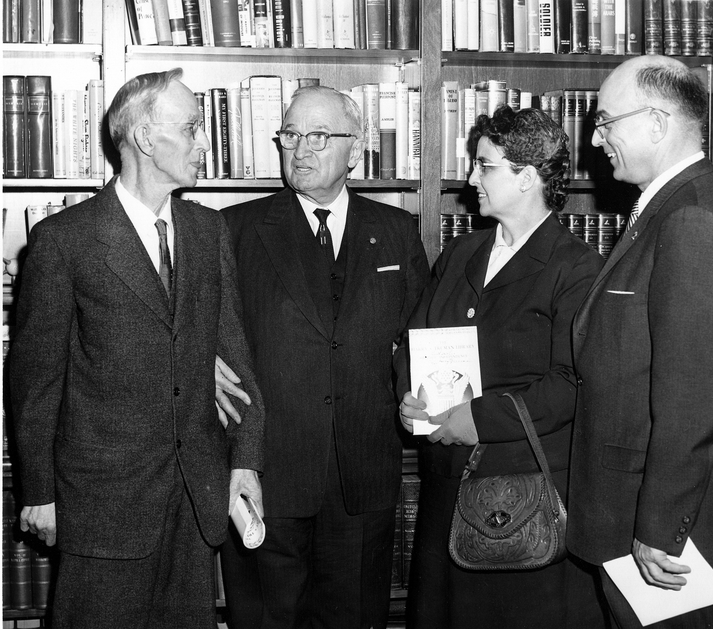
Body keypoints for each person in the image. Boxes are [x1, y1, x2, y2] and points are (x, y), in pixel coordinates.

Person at [8, 68, 265, 629]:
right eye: (193, 128)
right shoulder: (65, 239)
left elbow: (235, 357)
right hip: (104, 503)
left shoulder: (207, 230)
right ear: (147, 139)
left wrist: (245, 458)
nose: (205, 142)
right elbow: (35, 379)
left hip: (196, 495)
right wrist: (38, 491)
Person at [216, 85, 430, 629]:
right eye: (290, 135)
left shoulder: (396, 231)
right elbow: (202, 337)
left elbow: (420, 339)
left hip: (364, 474)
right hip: (268, 474)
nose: (300, 150)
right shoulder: (233, 229)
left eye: (317, 136)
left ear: (355, 149)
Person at [567, 55, 713, 628]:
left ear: (655, 123)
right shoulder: (672, 205)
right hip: (636, 517)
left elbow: (694, 395)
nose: (597, 141)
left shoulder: (692, 218)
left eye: (605, 122)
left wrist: (660, 527)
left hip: (670, 547)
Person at [395, 105, 607, 628]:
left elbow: (571, 385)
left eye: (485, 166)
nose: (470, 179)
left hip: (521, 500)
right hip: (446, 490)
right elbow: (413, 342)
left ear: (528, 177)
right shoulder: (459, 253)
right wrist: (410, 401)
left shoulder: (577, 269)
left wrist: (480, 419)